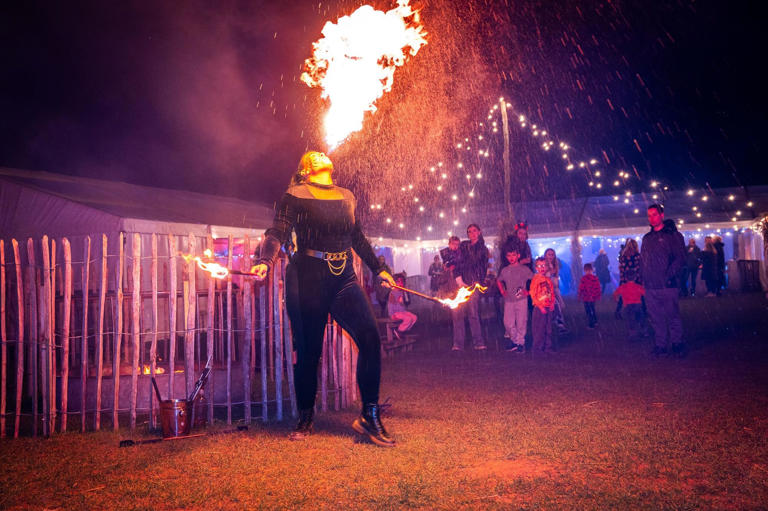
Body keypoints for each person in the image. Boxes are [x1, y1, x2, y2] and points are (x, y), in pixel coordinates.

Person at [250, 150, 396, 447]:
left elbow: (356, 237)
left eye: (321, 154)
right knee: (308, 352)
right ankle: (305, 417)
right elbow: (278, 231)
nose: (318, 154)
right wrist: (266, 260)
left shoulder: (347, 196)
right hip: (307, 278)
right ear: (305, 171)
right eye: (311, 156)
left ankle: (369, 414)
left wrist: (380, 269)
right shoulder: (295, 194)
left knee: (370, 339)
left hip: (343, 276)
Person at [640, 204, 687, 358]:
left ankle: (677, 343)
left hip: (668, 285)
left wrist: (668, 276)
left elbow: (680, 258)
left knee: (672, 315)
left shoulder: (673, 236)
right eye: (649, 215)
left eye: (654, 214)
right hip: (650, 286)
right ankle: (660, 344)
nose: (651, 218)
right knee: (655, 317)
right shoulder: (647, 238)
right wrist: (644, 278)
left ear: (661, 215)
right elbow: (643, 260)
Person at [454, 223, 490, 351]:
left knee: (473, 313)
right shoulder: (464, 246)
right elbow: (457, 261)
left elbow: (482, 267)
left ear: (479, 232)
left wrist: (478, 281)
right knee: (457, 313)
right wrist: (458, 278)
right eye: (469, 231)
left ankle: (478, 342)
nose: (472, 233)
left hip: (474, 284)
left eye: (474, 231)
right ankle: (458, 343)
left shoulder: (483, 249)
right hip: (461, 283)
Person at [497, 246, 532, 353]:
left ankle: (520, 343)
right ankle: (514, 340)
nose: (511, 258)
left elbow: (535, 280)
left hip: (521, 299)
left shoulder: (524, 269)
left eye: (513, 255)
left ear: (518, 256)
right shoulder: (505, 270)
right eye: (509, 255)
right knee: (508, 322)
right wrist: (503, 291)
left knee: (521, 321)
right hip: (509, 300)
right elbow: (498, 280)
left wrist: (529, 292)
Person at [530, 257, 556, 353]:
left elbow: (551, 292)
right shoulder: (536, 279)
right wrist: (540, 306)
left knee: (548, 328)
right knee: (539, 329)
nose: (542, 268)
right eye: (540, 266)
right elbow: (533, 294)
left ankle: (547, 347)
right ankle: (537, 348)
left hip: (548, 307)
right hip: (539, 308)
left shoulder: (548, 280)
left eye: (544, 265)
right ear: (536, 268)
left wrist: (552, 303)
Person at [613, 270, 646, 341]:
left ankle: (632, 334)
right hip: (638, 305)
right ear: (635, 278)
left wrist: (616, 299)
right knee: (640, 319)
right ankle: (643, 332)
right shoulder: (638, 287)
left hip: (628, 306)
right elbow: (644, 293)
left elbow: (615, 294)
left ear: (625, 278)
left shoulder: (623, 287)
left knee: (630, 320)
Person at [615, 239, 642, 318]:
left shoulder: (624, 256)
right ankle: (639, 312)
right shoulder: (637, 256)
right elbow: (639, 268)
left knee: (623, 296)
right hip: (635, 279)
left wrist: (623, 279)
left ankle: (618, 311)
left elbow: (621, 268)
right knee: (638, 295)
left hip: (625, 279)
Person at [544, 248, 568, 333]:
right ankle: (557, 323)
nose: (550, 256)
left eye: (552, 254)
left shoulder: (555, 264)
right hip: (546, 289)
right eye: (549, 254)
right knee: (552, 306)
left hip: (554, 287)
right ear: (545, 255)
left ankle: (558, 322)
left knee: (559, 305)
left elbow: (555, 277)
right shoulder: (543, 264)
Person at [388, 273, 417, 337]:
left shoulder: (403, 291)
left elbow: (407, 302)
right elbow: (393, 304)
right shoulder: (393, 292)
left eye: (402, 282)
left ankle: (405, 330)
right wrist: (399, 301)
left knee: (414, 317)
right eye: (398, 282)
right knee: (408, 319)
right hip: (395, 313)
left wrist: (406, 294)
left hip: (402, 312)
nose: (400, 284)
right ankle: (399, 331)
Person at [578, 263, 601, 328]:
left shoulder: (584, 278)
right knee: (592, 309)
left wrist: (580, 296)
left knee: (588, 310)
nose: (588, 271)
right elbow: (598, 287)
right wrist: (598, 295)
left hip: (586, 297)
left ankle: (591, 324)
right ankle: (595, 321)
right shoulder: (595, 278)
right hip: (592, 297)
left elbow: (581, 288)